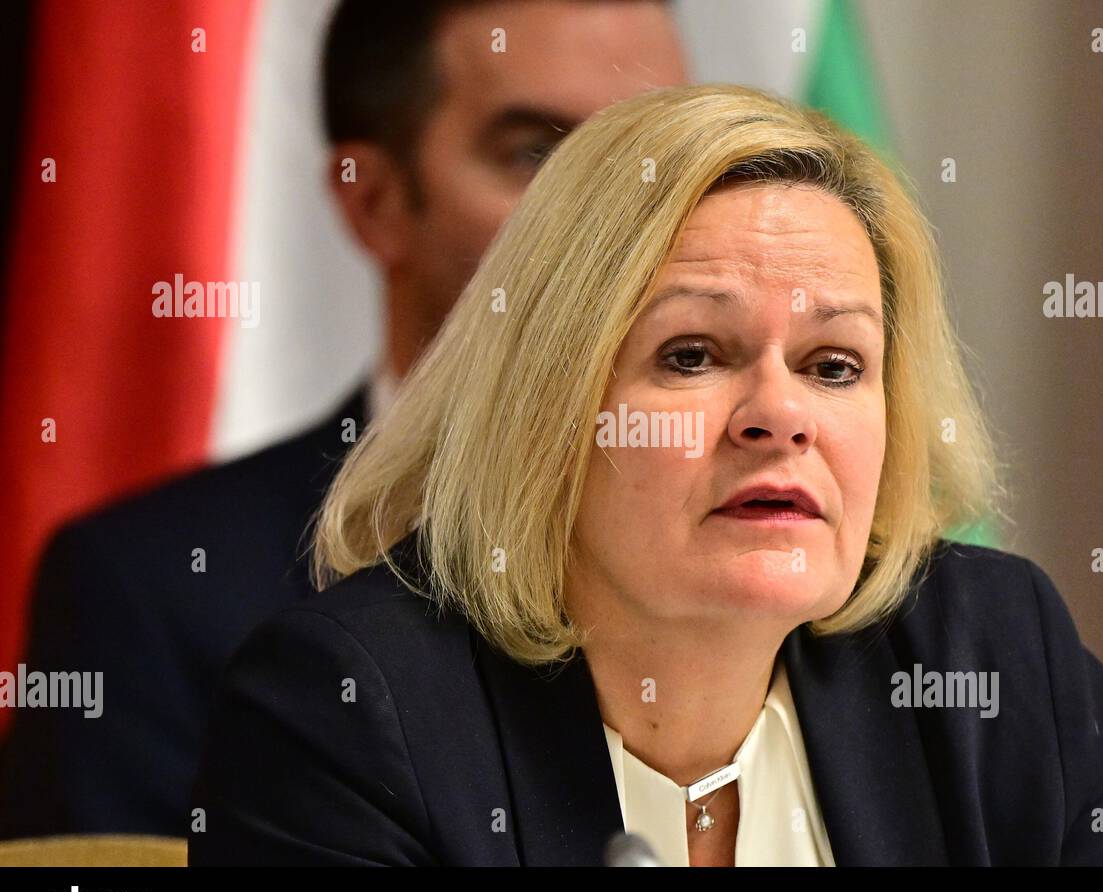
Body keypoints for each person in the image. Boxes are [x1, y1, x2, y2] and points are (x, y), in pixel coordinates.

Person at [188, 83, 1103, 866]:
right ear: (548, 408)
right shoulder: (352, 710)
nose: (778, 416)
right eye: (692, 354)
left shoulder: (987, 655)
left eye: (833, 366)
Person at [0, 0, 686, 839]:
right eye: (537, 154)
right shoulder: (153, 591)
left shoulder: (809, 554)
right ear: (377, 203)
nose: (620, 216)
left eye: (654, 160)